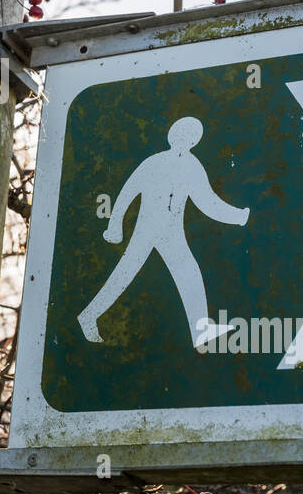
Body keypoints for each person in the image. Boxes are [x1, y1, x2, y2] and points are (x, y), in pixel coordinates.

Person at [77, 116, 249, 347]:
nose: (184, 138)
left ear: (194, 141)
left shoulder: (192, 166)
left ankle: (200, 330)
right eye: (181, 133)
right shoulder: (153, 162)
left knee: (189, 272)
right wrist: (114, 224)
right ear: (172, 134)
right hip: (147, 229)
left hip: (171, 233)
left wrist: (237, 216)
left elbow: (207, 202)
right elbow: (128, 191)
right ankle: (89, 316)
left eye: (190, 136)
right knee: (123, 275)